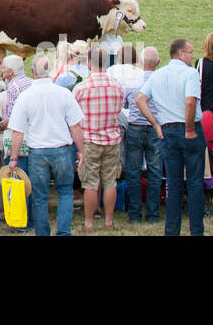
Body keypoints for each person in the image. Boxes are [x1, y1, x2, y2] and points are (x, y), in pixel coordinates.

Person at [7, 54, 86, 237]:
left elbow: (18, 131)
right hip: (62, 149)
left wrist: (14, 157)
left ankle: (42, 232)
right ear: (49, 70)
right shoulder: (63, 93)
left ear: (32, 71)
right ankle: (63, 232)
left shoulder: (26, 96)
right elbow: (75, 126)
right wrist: (81, 150)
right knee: (65, 192)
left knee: (40, 196)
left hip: (38, 151)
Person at [135, 39, 205, 236]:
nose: (193, 56)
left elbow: (140, 99)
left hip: (167, 130)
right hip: (188, 129)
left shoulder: (158, 75)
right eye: (190, 52)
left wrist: (156, 124)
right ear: (181, 54)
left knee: (173, 184)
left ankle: (172, 230)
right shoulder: (190, 73)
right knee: (194, 183)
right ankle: (196, 230)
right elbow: (190, 102)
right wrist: (190, 129)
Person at [74, 47, 124, 232]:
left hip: (90, 140)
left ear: (89, 63)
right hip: (111, 138)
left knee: (90, 183)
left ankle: (88, 223)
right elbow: (119, 111)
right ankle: (109, 221)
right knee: (110, 181)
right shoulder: (117, 86)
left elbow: (75, 117)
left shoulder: (81, 88)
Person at [122, 47, 163, 224]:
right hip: (155, 129)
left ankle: (134, 213)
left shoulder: (132, 83)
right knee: (154, 171)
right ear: (158, 63)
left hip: (136, 128)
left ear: (141, 62)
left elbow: (125, 104)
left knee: (133, 171)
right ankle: (153, 213)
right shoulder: (162, 83)